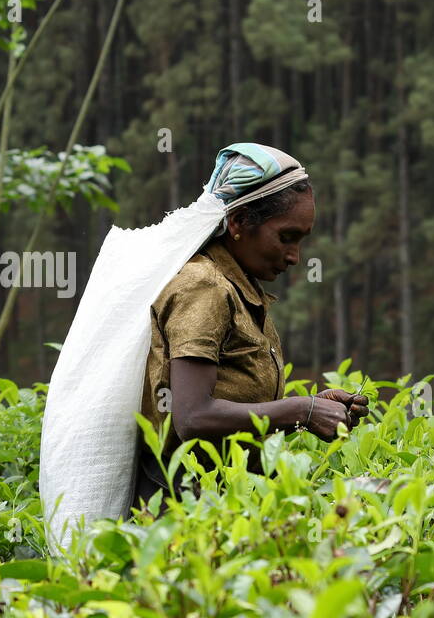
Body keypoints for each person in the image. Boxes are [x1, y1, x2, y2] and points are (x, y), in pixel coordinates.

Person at [131, 143, 369, 511]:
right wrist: (298, 410)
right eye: (286, 237)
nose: (295, 257)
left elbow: (235, 403)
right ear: (240, 222)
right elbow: (193, 417)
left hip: (225, 501)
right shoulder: (205, 286)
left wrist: (313, 409)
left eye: (302, 241)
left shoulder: (241, 289)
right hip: (183, 509)